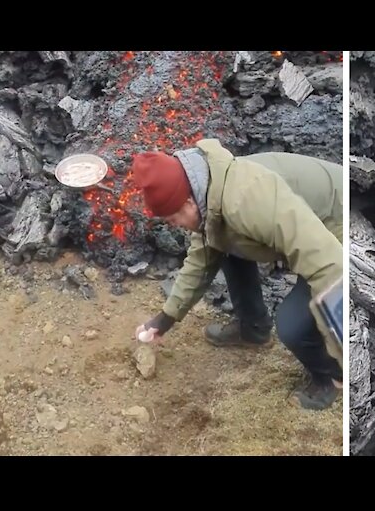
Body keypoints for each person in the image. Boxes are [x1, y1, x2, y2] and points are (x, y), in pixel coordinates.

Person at [132, 140, 343, 411]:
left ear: (187, 202)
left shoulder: (246, 200)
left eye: (174, 220)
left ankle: (333, 374)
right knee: (222, 245)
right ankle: (253, 330)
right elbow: (202, 258)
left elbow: (328, 265)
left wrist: (342, 350)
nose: (179, 227)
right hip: (310, 234)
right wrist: (165, 318)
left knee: (292, 326)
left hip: (339, 228)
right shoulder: (210, 194)